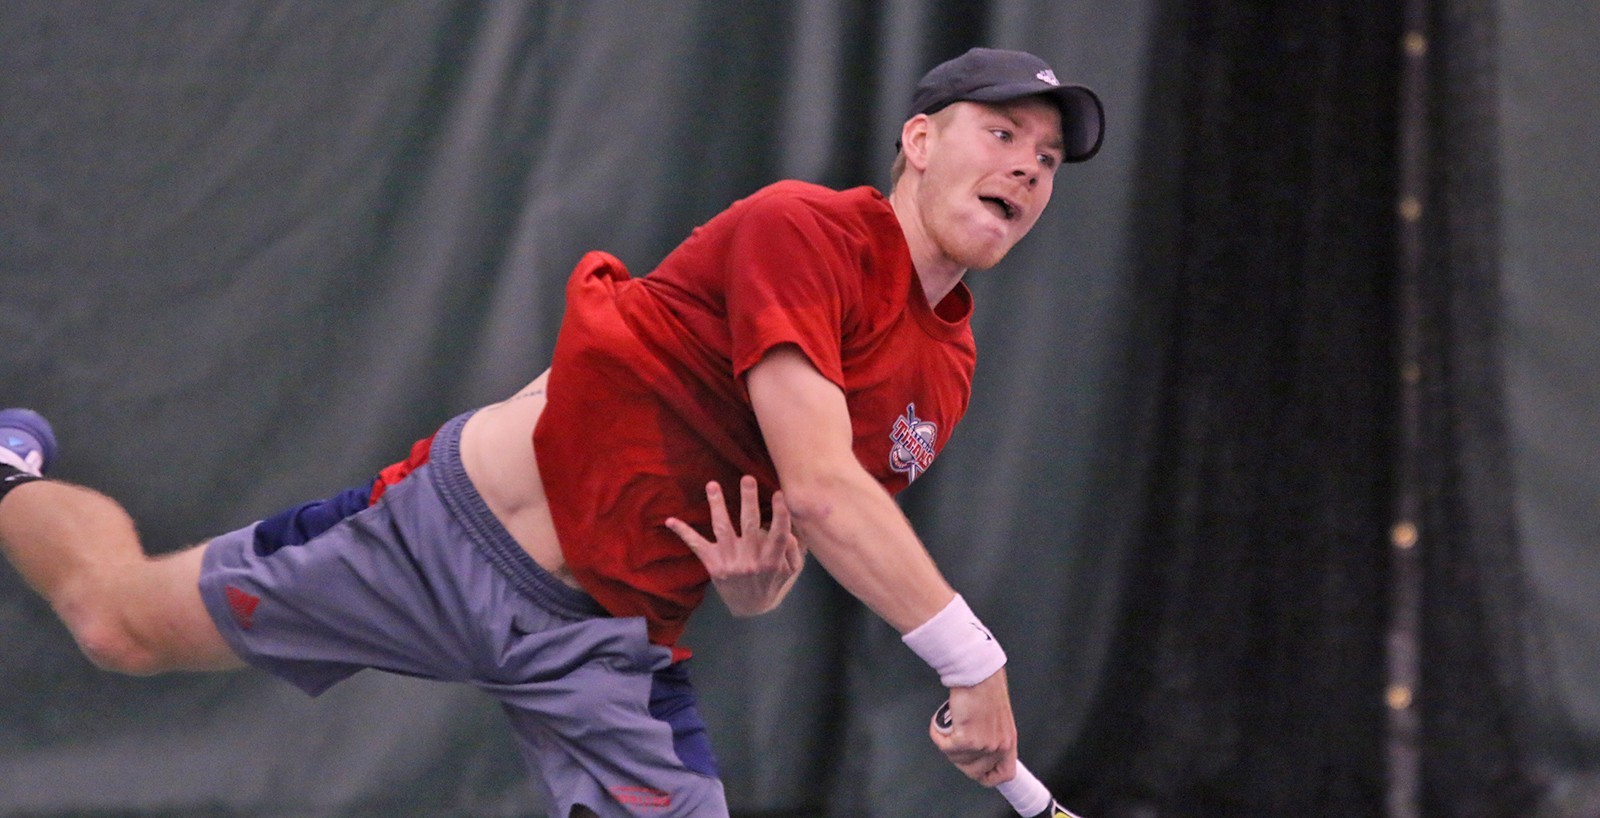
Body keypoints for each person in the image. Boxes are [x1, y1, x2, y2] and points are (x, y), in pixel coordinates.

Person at [0, 47, 1103, 817]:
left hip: (605, 643)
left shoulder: (945, 371)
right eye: (1001, 132)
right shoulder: (804, 228)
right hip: (437, 538)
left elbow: (808, 520)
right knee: (115, 621)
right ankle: (10, 469)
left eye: (1047, 161)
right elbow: (822, 483)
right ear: (919, 138)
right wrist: (973, 658)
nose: (1022, 167)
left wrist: (754, 585)